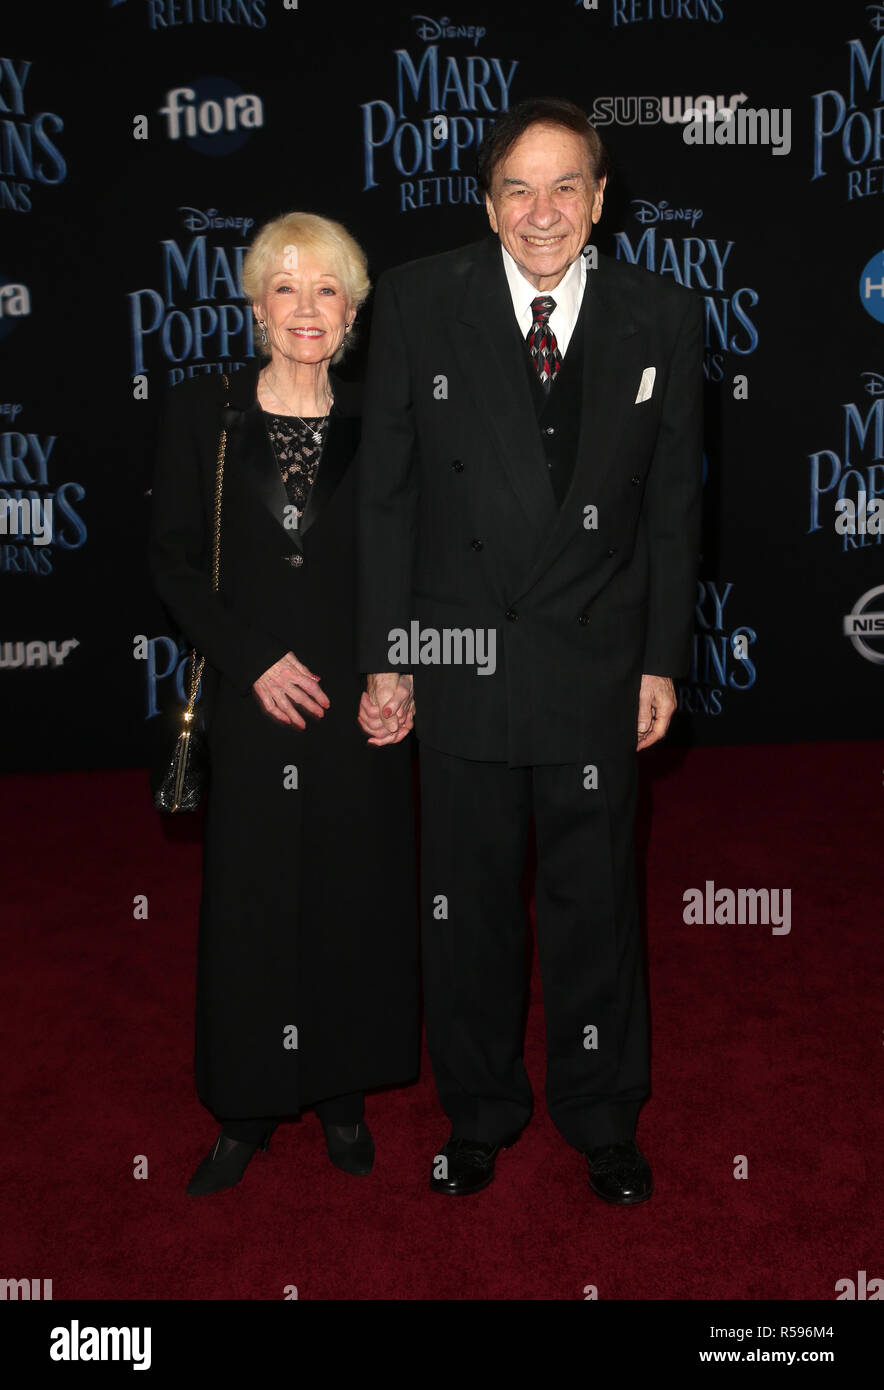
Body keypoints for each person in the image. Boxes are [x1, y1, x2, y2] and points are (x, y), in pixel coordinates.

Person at [357, 99, 703, 1203]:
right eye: (517, 186)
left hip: (597, 661)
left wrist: (659, 658)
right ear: (486, 198)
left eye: (565, 187)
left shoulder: (662, 313)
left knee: (594, 901)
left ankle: (602, 1113)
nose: (541, 211)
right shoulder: (419, 300)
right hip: (461, 654)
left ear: (601, 199)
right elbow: (387, 497)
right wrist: (388, 654)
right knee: (464, 907)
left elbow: (674, 505)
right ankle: (479, 1110)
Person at [150, 212, 418, 1196]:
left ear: (351, 309)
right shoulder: (204, 410)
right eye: (286, 288)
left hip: (357, 710)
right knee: (252, 902)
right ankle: (247, 1104)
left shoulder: (380, 415)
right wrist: (250, 659)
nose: (307, 309)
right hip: (254, 704)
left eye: (328, 290)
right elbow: (173, 561)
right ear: (256, 302)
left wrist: (401, 671)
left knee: (356, 893)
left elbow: (413, 562)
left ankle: (341, 1092)